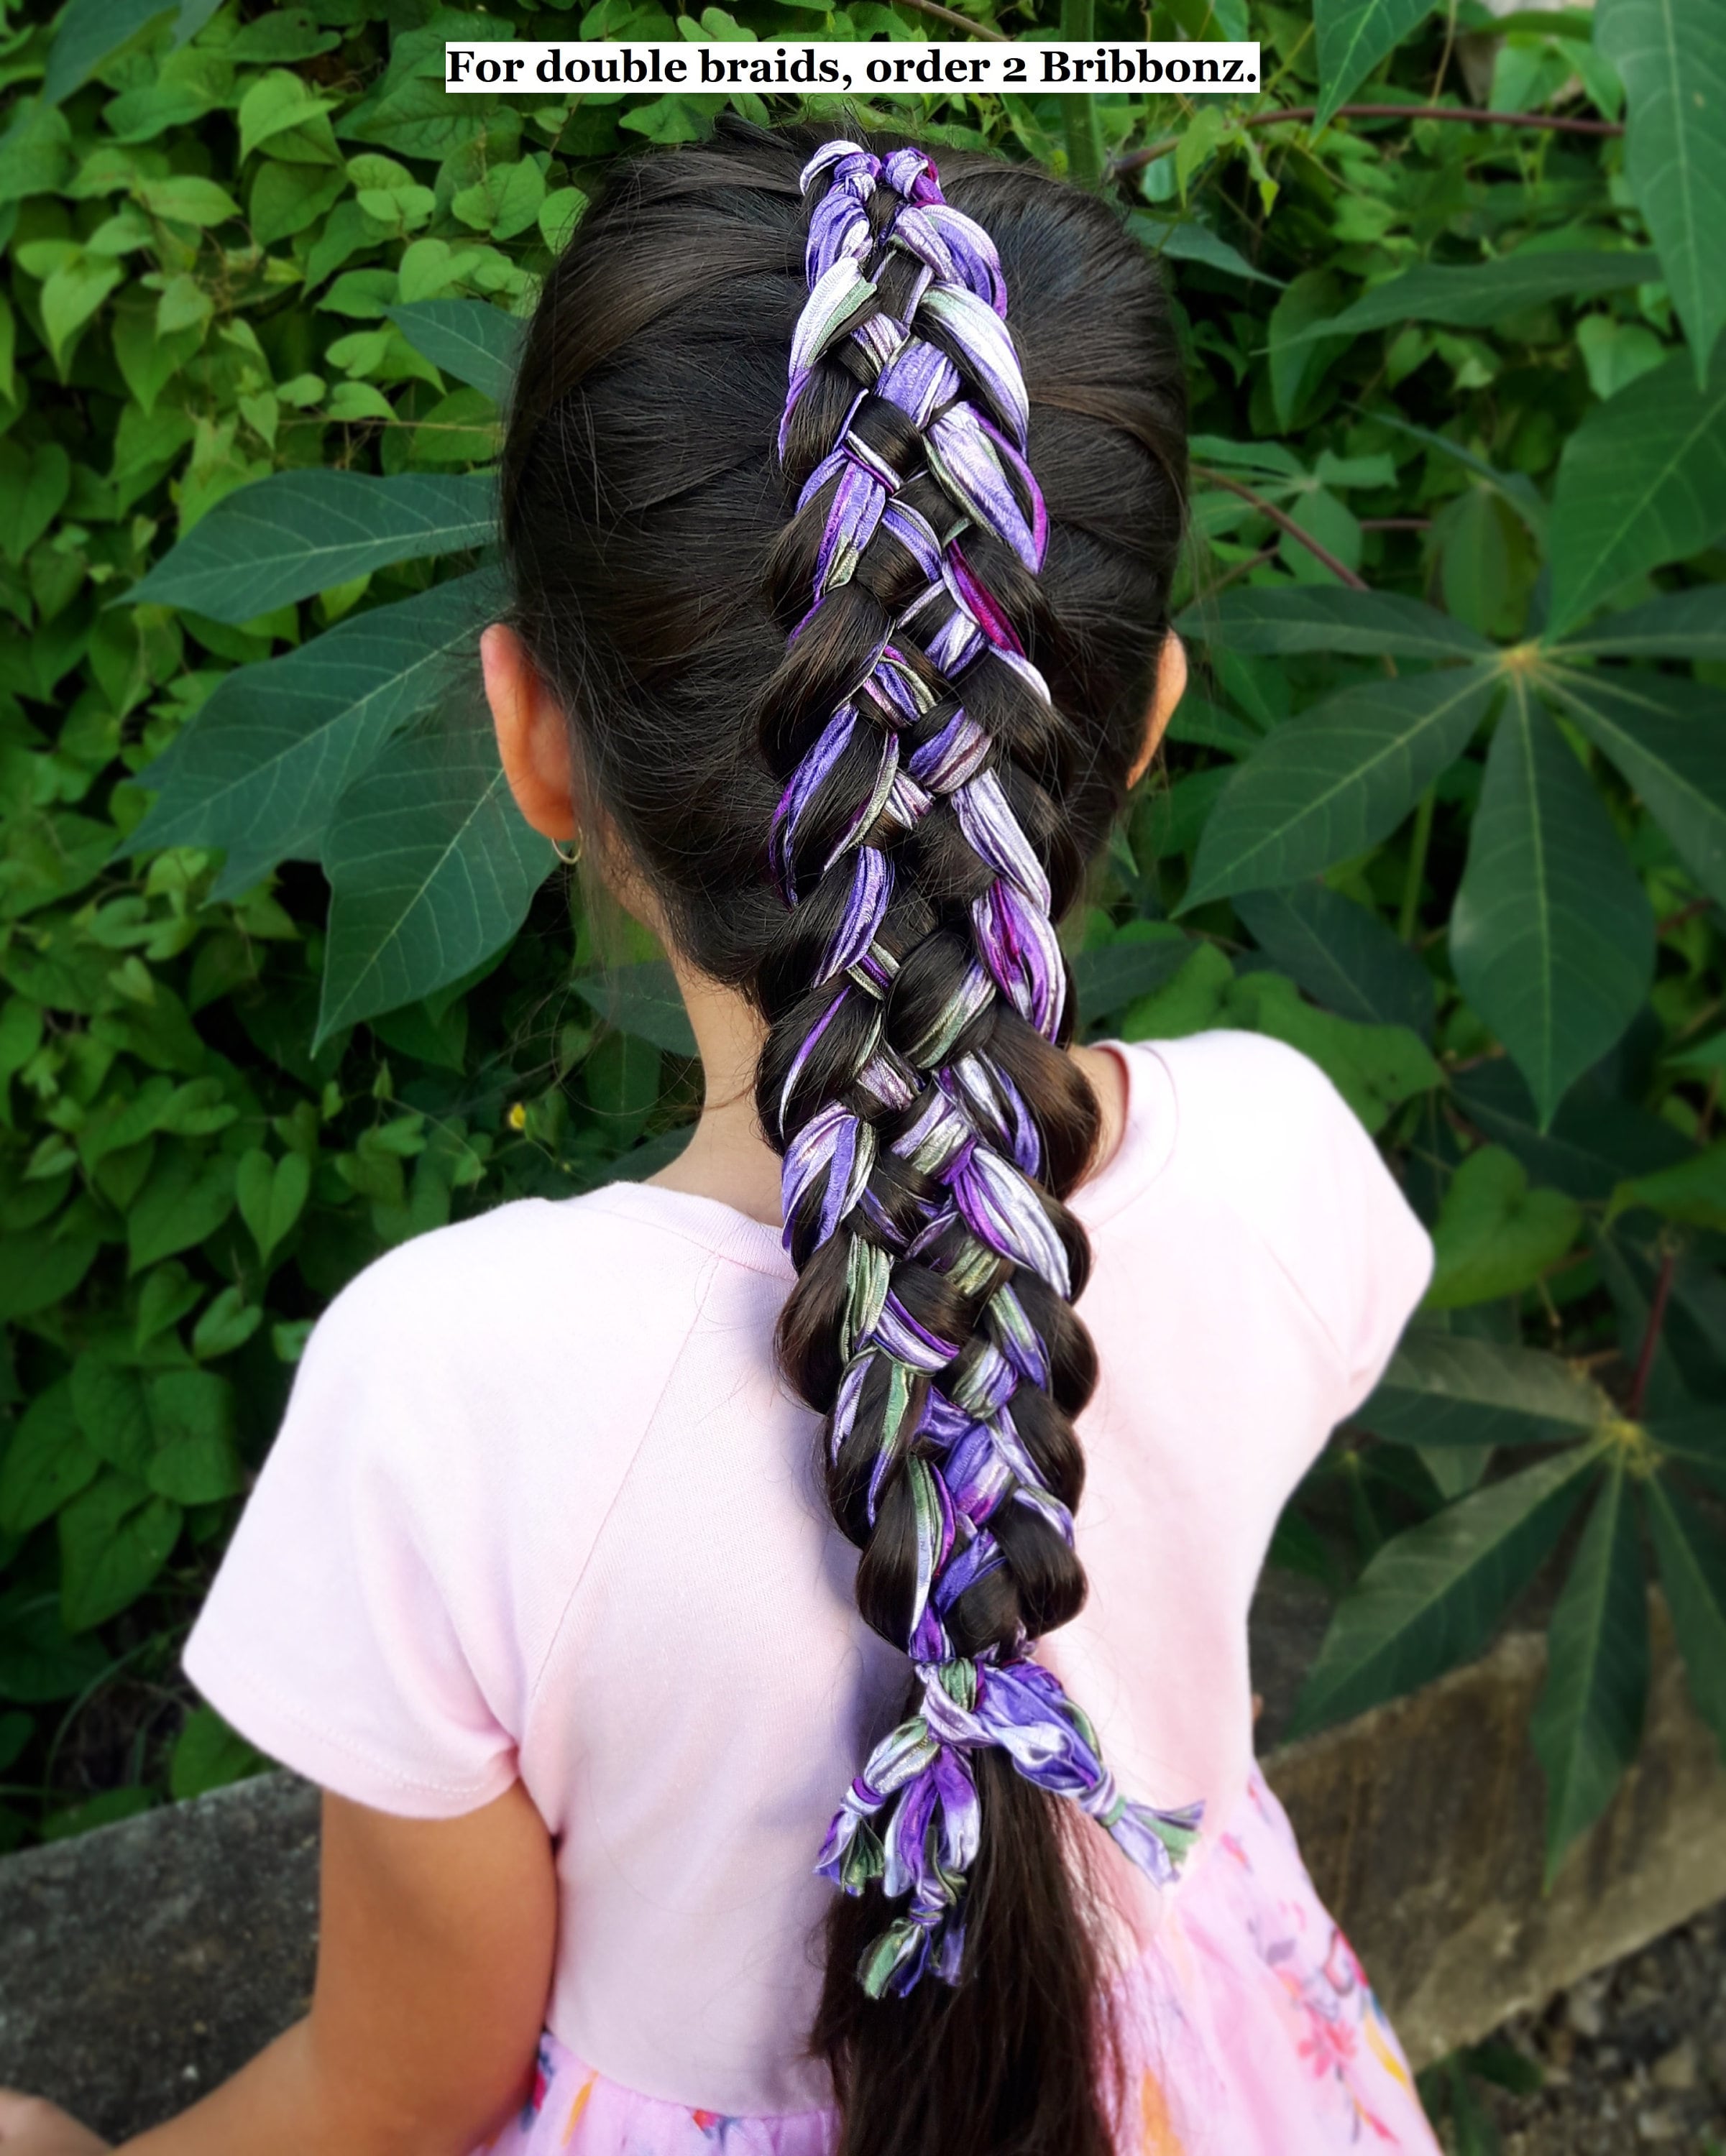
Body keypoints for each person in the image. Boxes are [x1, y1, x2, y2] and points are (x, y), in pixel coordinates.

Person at [0, 122, 1439, 2156]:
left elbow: (405, 2087)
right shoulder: (1284, 1164)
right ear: (1136, 724)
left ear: (527, 744)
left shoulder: (456, 1394)